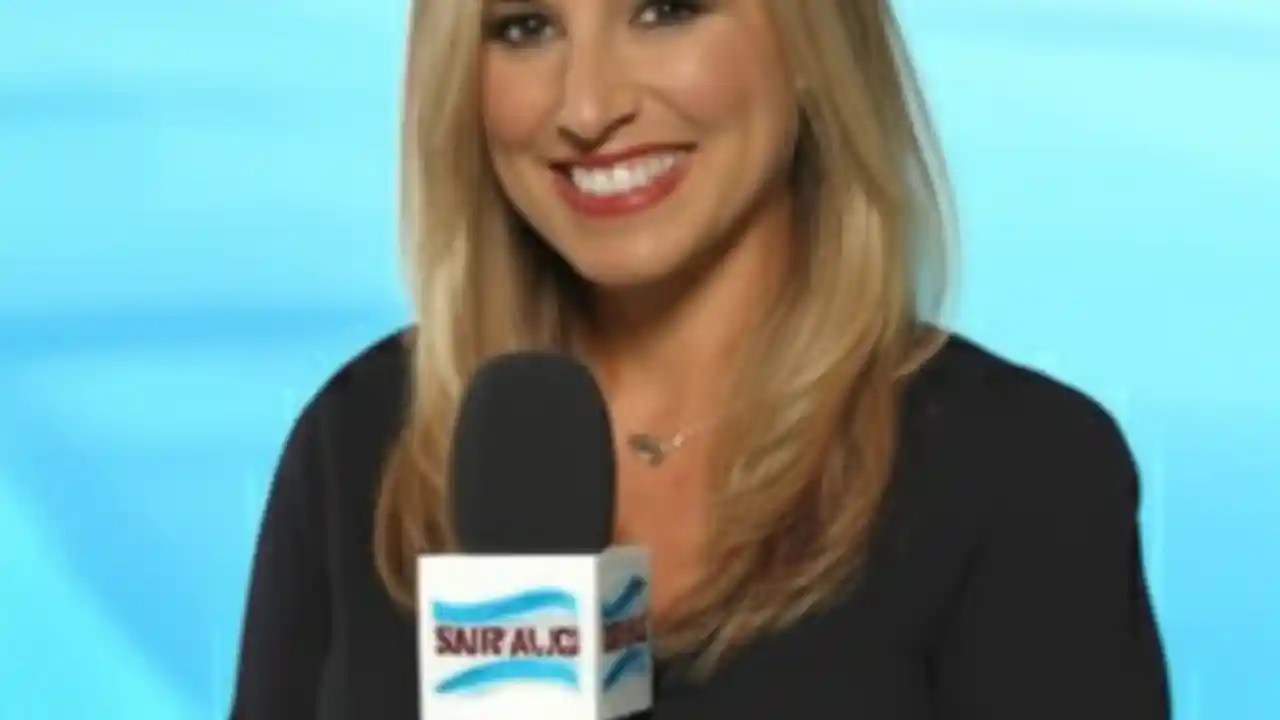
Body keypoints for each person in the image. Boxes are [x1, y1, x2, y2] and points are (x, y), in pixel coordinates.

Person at [231, 1, 1170, 717]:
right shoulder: (366, 438)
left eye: (666, 9)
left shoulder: (1022, 469)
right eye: (524, 26)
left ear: (813, 43)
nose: (588, 107)